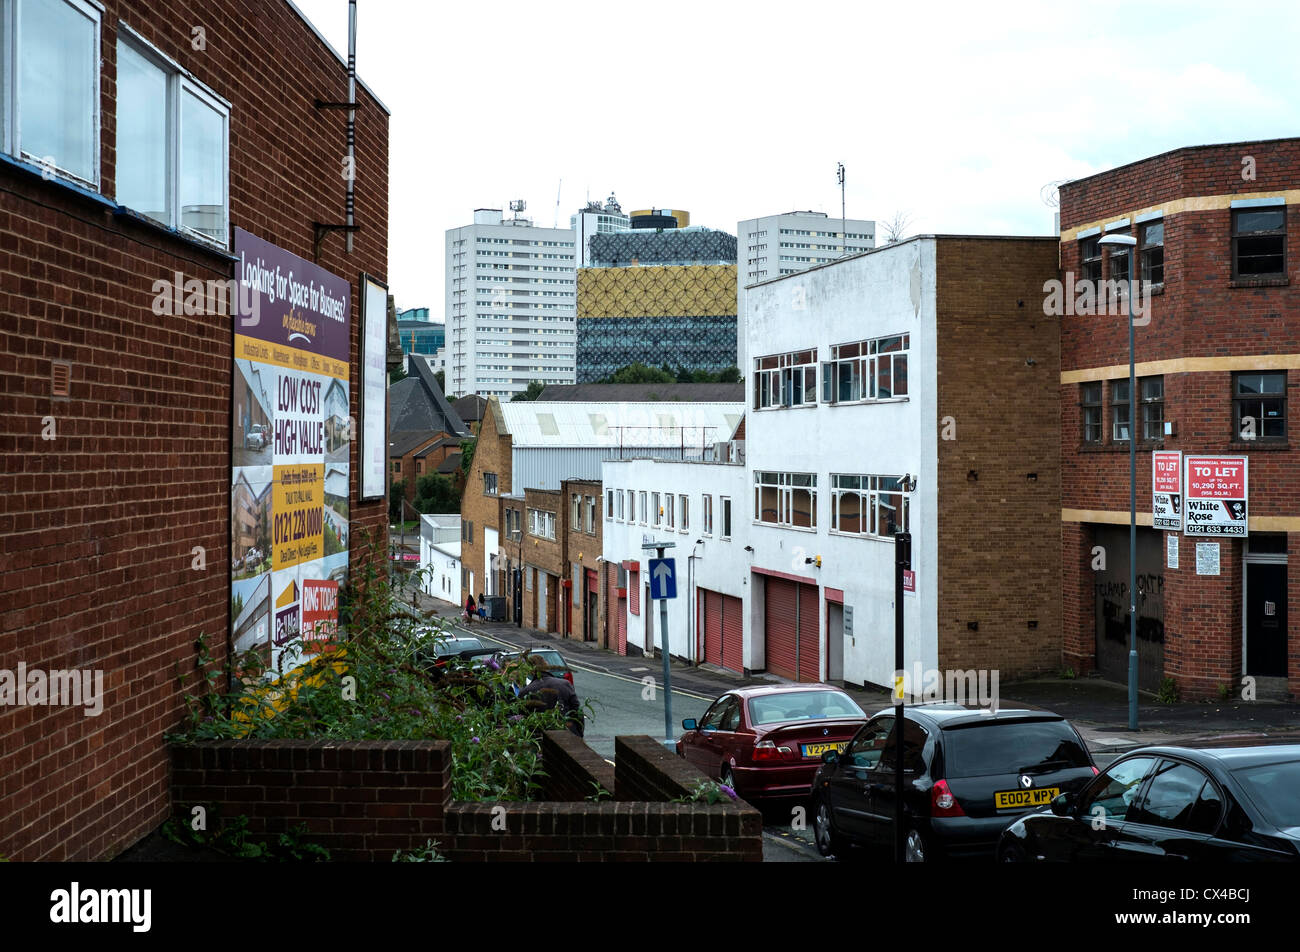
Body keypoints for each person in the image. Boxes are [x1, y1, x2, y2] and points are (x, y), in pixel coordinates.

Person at [519, 658, 584, 736]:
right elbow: (577, 711)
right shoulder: (565, 684)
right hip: (568, 734)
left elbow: (523, 719)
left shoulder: (525, 691)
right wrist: (579, 733)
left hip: (541, 738)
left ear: (531, 671)